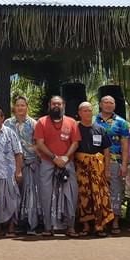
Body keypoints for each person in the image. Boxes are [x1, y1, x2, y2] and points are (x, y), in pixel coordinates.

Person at [34, 96, 80, 237]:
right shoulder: (41, 122)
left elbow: (75, 142)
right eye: (54, 103)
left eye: (59, 103)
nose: (56, 106)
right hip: (47, 162)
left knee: (71, 193)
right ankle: (48, 227)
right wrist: (54, 158)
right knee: (46, 194)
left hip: (67, 162)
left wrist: (65, 157)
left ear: (63, 105)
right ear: (49, 105)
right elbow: (40, 143)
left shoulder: (71, 122)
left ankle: (70, 227)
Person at [75, 102, 114, 237]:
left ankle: (99, 225)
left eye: (90, 111)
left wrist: (107, 170)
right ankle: (85, 226)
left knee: (99, 196)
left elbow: (107, 151)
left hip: (98, 168)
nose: (88, 113)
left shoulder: (100, 129)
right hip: (81, 169)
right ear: (80, 113)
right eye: (85, 111)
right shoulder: (75, 128)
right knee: (84, 196)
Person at [4, 95, 40, 235]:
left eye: (23, 105)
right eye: (18, 105)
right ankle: (14, 224)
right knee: (13, 194)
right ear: (14, 107)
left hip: (30, 163)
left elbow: (38, 144)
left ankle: (30, 224)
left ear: (27, 107)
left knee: (30, 194)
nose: (20, 108)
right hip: (11, 165)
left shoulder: (33, 123)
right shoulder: (7, 123)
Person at [94, 95, 130, 235]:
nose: (108, 105)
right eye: (106, 102)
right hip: (96, 162)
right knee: (98, 191)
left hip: (116, 161)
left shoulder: (122, 123)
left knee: (115, 192)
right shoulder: (93, 120)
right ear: (100, 105)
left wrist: (125, 164)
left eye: (111, 102)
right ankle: (100, 222)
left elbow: (125, 145)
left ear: (114, 106)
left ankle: (115, 222)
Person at [0, 107, 23, 237]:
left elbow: (18, 153)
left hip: (8, 173)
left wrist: (18, 172)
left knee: (11, 201)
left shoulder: (10, 133)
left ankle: (11, 228)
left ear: (2, 118)